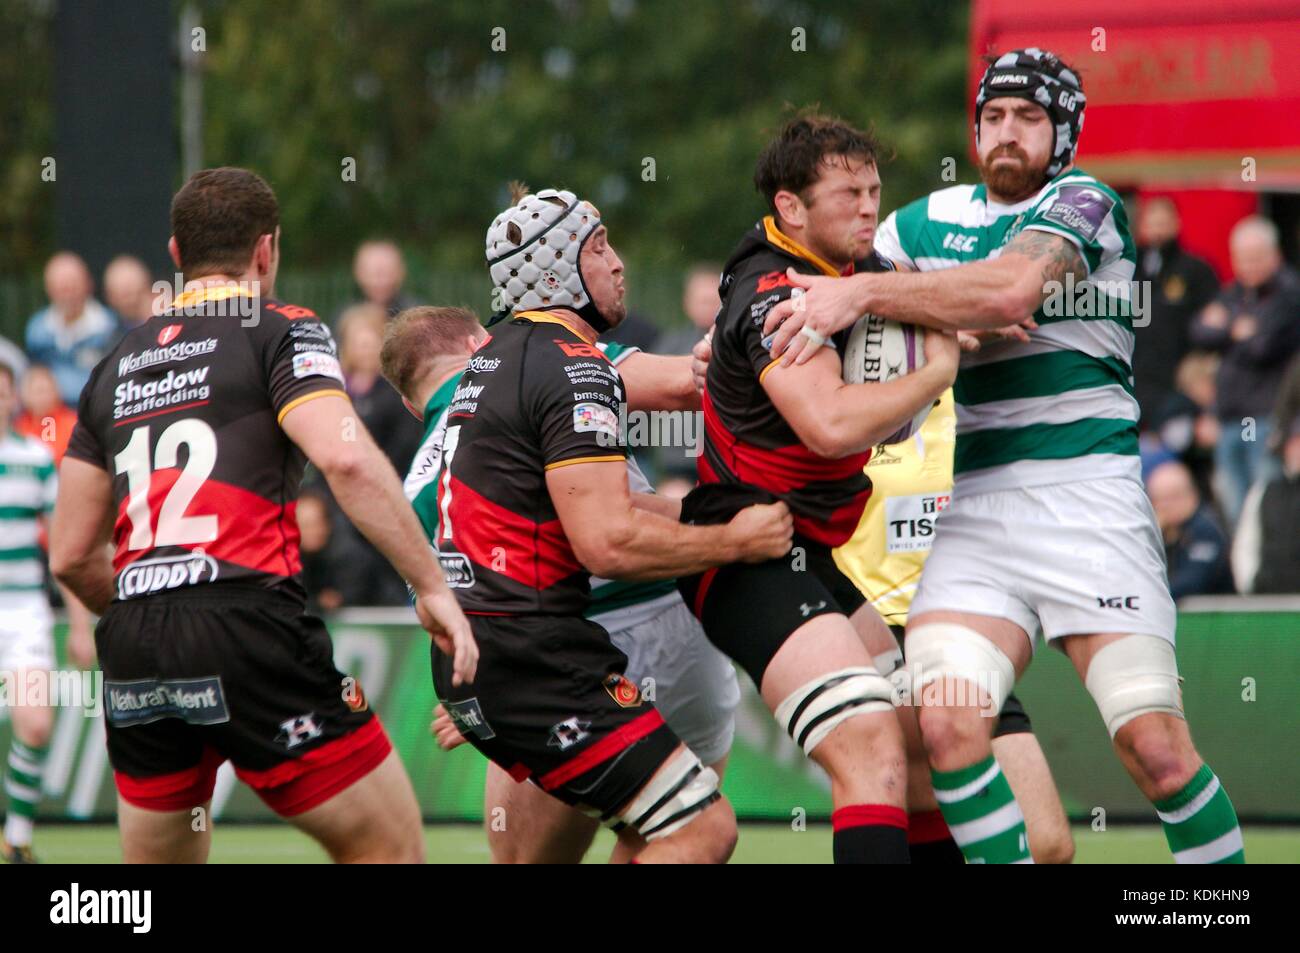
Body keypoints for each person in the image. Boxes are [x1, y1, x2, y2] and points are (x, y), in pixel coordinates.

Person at [764, 49, 1244, 864]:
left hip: (1089, 500)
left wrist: (874, 294)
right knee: (947, 725)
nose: (1007, 133)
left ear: (1064, 132)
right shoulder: (917, 224)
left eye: (1029, 117)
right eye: (993, 117)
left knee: (1155, 750)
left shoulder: (1085, 202)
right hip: (978, 508)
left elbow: (1009, 291)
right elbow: (832, 301)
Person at [49, 166, 476, 864]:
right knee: (391, 850)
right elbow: (345, 460)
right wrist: (432, 586)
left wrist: (153, 612)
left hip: (133, 639)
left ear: (177, 254)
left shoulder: (114, 364)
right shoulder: (280, 329)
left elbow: (69, 552)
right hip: (245, 621)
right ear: (266, 251)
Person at [429, 184, 793, 863]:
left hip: (484, 653)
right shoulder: (573, 363)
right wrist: (735, 541)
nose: (619, 263)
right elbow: (606, 540)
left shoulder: (499, 359)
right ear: (555, 272)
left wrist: (688, 509)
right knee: (702, 829)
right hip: (534, 655)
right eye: (598, 248)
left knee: (631, 834)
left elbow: (568, 513)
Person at [681, 114, 963, 863]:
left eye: (874, 189)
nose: (869, 207)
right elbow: (832, 426)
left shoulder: (852, 273)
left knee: (920, 742)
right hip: (742, 552)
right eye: (847, 193)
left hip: (805, 553)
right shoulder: (779, 294)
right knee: (870, 739)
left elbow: (947, 306)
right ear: (791, 209)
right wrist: (933, 373)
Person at [383, 304, 740, 863]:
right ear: (484, 343)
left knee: (530, 858)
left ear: (409, 406)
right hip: (672, 620)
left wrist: (482, 697)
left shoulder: (416, 490)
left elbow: (447, 609)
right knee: (671, 833)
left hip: (551, 656)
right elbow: (684, 385)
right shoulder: (552, 357)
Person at [0, 362, 94, 863]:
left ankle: (16, 838)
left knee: (35, 725)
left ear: (13, 399)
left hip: (22, 613)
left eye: (2, 392)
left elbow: (64, 545)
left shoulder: (35, 458)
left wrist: (80, 625)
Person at [1190, 216, 1300, 527]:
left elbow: (1262, 347)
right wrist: (1236, 331)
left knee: (1265, 512)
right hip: (1228, 421)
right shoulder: (1235, 293)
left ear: (1275, 255)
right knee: (1235, 515)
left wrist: (1224, 328)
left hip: (1265, 421)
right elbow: (1198, 332)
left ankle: (1269, 576)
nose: (1248, 267)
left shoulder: (1289, 294)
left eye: (1256, 259)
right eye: (1242, 259)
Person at [1131, 197, 1220, 429]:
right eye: (1152, 224)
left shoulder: (1196, 270)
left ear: (1176, 224)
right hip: (1136, 378)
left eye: (1163, 223)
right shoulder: (1129, 269)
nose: (1157, 231)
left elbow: (1212, 324)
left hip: (1178, 382)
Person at [24, 252, 120, 405]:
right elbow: (32, 378)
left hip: (95, 411)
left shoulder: (110, 327)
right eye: (61, 289)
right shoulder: (37, 329)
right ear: (49, 290)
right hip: (52, 416)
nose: (68, 295)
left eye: (73, 287)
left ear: (89, 284)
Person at [1147, 460, 1234, 601]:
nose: (1163, 506)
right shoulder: (1162, 532)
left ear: (1191, 494)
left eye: (1172, 497)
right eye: (1157, 499)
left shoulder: (1205, 530)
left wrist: (1148, 595)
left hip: (1215, 618)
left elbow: (1193, 582)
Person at [13, 365, 78, 464]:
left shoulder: (73, 423)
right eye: (39, 391)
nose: (44, 396)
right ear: (25, 395)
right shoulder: (18, 426)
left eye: (49, 390)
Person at [345, 240, 416, 318]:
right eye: (373, 272)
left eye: (387, 272)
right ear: (358, 273)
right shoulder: (345, 315)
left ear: (401, 272)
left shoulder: (416, 315)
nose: (380, 281)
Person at [103, 255, 156, 329]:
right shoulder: (113, 335)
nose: (131, 301)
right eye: (125, 295)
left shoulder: (172, 314)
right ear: (110, 298)